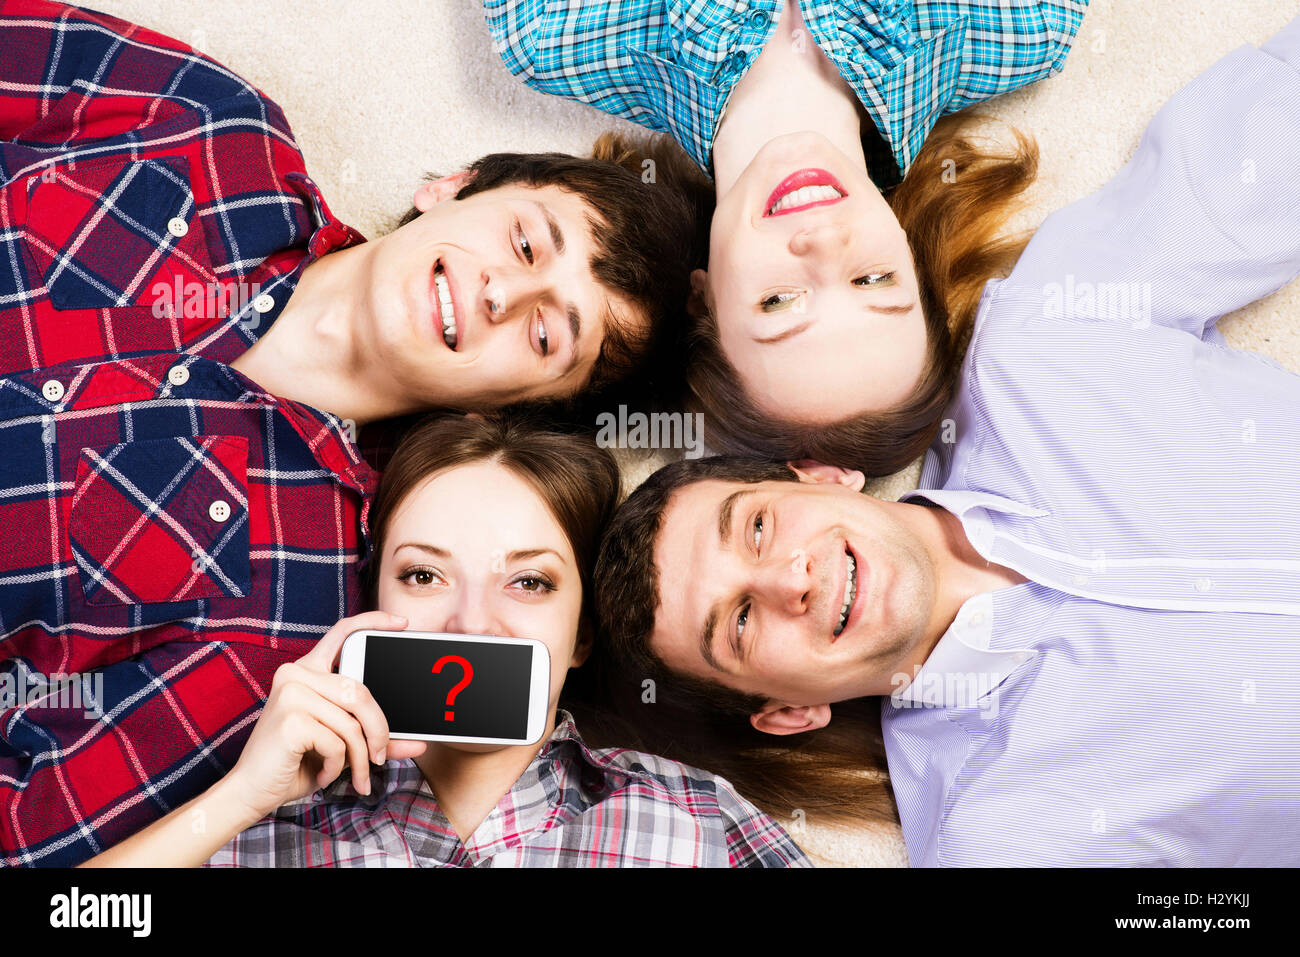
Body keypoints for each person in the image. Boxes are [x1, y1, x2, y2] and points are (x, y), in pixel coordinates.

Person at [0, 0, 696, 866]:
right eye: (523, 241)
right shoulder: (212, 123)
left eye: (548, 334)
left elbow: (33, 842)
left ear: (508, 410)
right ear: (455, 183)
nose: (501, 295)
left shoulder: (289, 617)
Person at [592, 15, 1300, 866]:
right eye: (739, 622)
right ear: (786, 713)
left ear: (822, 476)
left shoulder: (1042, 349)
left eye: (756, 527)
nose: (788, 579)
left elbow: (1253, 153)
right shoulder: (1001, 831)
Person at [77, 414, 809, 867]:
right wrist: (239, 797)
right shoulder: (259, 830)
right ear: (374, 603)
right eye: (424, 575)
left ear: (582, 632)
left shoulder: (695, 817)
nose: (471, 623)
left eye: (529, 583)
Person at [485, 0, 1087, 474]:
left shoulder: (549, 33)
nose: (823, 241)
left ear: (703, 299)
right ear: (909, 253)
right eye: (874, 279)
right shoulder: (1028, 27)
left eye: (779, 302)